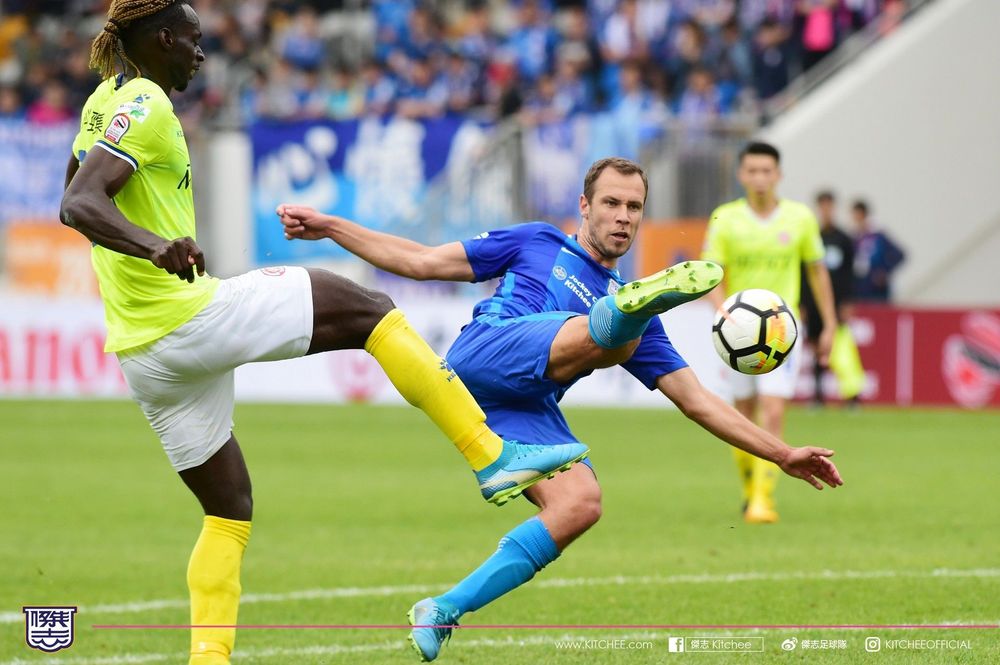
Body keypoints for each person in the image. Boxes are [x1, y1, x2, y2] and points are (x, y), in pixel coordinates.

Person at [59, 3, 588, 664]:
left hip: (144, 353)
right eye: (194, 42)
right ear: (163, 39)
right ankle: (491, 454)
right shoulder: (145, 100)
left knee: (228, 508)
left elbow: (75, 190)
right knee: (366, 308)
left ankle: (208, 659)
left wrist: (139, 242)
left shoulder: (103, 100)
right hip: (185, 319)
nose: (201, 55)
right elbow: (78, 201)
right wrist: (155, 244)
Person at [277, 156, 844, 662]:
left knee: (580, 503)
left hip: (523, 403)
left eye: (635, 208)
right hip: (486, 353)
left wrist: (782, 452)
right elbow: (422, 260)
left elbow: (698, 402)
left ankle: (442, 609)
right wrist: (330, 226)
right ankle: (612, 315)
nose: (624, 216)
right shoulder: (538, 241)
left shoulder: (638, 321)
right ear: (584, 207)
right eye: (612, 204)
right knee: (613, 329)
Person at [702, 141, 838, 525]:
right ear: (741, 174)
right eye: (753, 170)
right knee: (743, 417)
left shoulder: (800, 218)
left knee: (774, 411)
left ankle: (764, 498)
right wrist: (724, 312)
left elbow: (816, 270)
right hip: (737, 334)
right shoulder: (725, 219)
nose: (760, 177)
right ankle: (750, 491)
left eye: (767, 171)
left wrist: (829, 323)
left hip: (782, 332)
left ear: (778, 175)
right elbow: (713, 275)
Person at [800, 190, 865, 406]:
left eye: (829, 206)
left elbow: (850, 273)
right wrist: (803, 303)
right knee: (817, 347)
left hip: (837, 303)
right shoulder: (812, 237)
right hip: (813, 302)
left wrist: (848, 301)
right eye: (823, 206)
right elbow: (804, 272)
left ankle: (852, 394)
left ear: (833, 208)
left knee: (842, 347)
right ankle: (818, 395)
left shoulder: (844, 239)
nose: (826, 210)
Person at [851, 198, 905, 302]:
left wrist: (884, 271)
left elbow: (899, 255)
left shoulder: (878, 236)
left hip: (877, 289)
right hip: (860, 287)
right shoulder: (855, 238)